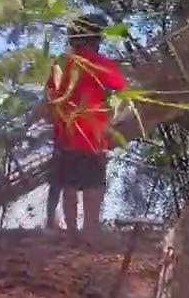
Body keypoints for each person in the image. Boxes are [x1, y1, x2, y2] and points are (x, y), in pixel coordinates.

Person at [42, 13, 126, 237]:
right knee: (93, 186)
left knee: (69, 186)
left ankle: (72, 234)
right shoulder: (101, 63)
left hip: (66, 136)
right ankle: (89, 232)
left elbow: (50, 99)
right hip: (92, 135)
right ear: (95, 38)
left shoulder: (61, 65)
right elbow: (120, 86)